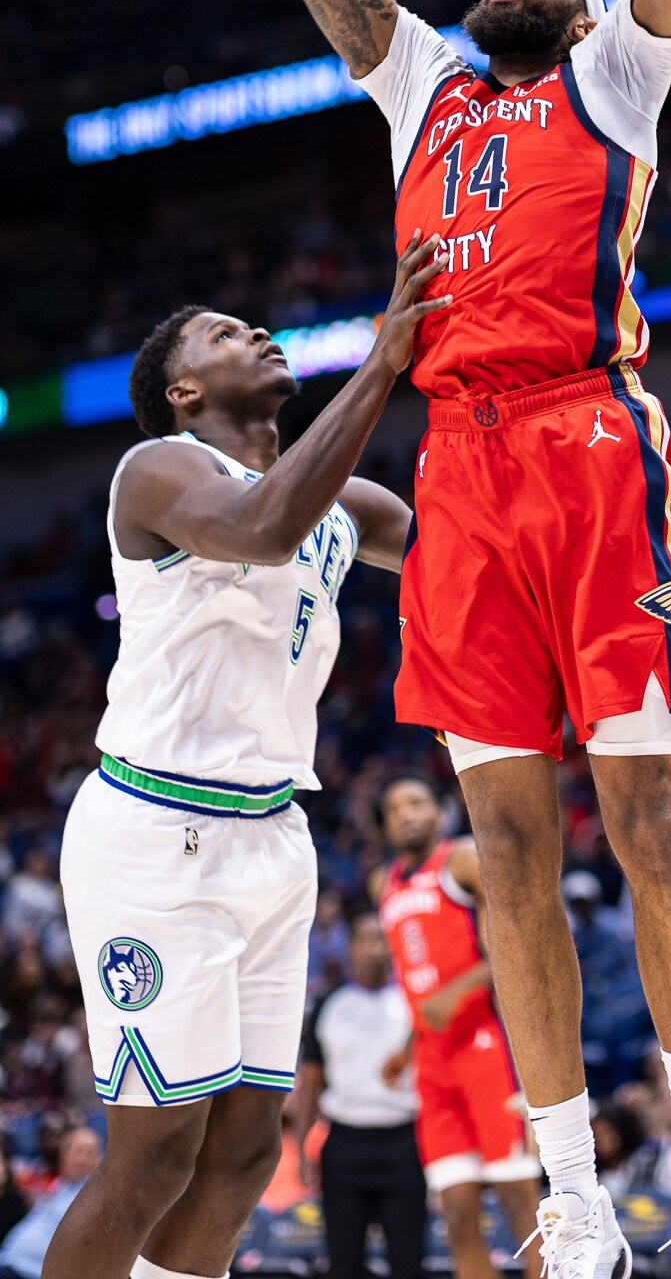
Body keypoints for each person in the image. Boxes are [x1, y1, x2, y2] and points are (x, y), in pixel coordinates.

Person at [259, 0, 671, 1279]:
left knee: (649, 828)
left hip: (588, 438)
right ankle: (575, 1201)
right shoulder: (422, 88)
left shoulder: (617, 73)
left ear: (589, 5)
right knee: (509, 857)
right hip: (463, 468)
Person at [44, 237, 449, 1279]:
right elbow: (265, 530)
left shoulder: (338, 502)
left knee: (245, 1151)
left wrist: (639, 532)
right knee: (154, 1156)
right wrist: (379, 364)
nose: (259, 331)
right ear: (184, 389)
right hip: (154, 835)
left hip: (272, 835)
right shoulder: (162, 467)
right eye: (228, 333)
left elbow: (469, 553)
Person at [377, 777, 542, 1279]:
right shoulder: (383, 884)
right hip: (432, 1059)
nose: (406, 812)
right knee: (455, 1213)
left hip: (485, 1046)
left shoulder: (461, 858)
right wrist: (406, 1046)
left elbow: (514, 946)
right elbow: (414, 973)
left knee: (519, 1198)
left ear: (438, 812)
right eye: (394, 807)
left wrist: (456, 991)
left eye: (416, 801)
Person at [295, 915, 424, 1279]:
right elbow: (311, 1084)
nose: (375, 949)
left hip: (404, 1140)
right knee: (343, 1263)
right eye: (365, 940)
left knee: (408, 1261)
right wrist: (305, 1146)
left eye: (382, 940)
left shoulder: (414, 1003)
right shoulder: (328, 1005)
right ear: (349, 946)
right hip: (344, 1143)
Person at [0, 1128, 100, 1279]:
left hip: (29, 1271)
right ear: (64, 1154)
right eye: (79, 1151)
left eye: (90, 1153)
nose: (83, 1159)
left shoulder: (95, 1197)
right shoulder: (58, 1186)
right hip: (10, 1262)